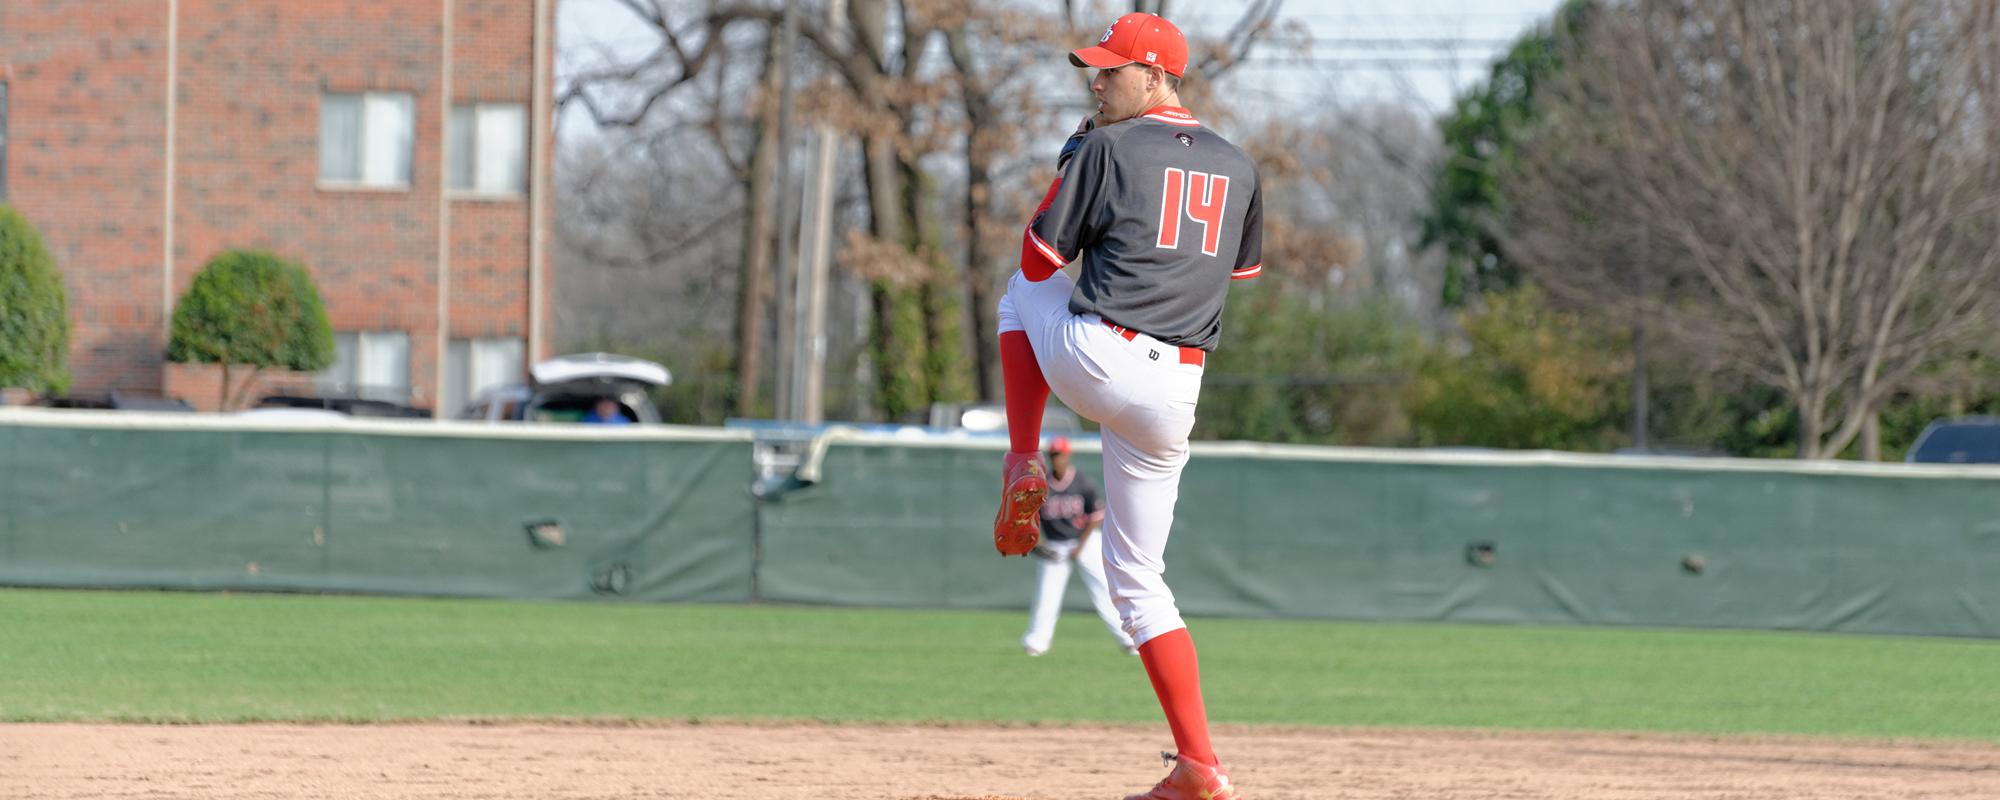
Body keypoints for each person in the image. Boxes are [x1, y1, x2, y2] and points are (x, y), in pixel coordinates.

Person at [989, 12, 1261, 800]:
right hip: (1177, 389)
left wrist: (1071, 167)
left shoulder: (1107, 148)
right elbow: (1231, 271)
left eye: (1112, 70)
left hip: (1101, 358)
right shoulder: (1240, 165)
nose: (1098, 82)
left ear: (1156, 75)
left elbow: (1038, 256)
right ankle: (1201, 764)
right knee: (1140, 582)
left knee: (1018, 293)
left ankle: (1022, 456)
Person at [1020, 437, 1138, 658]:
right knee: (1046, 594)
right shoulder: (1041, 485)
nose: (1057, 459)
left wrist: (1080, 546)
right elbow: (1029, 517)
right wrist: (1037, 542)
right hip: (1055, 544)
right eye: (1053, 455)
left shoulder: (1082, 482)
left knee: (1105, 590)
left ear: (1068, 456)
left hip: (1086, 540)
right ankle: (1036, 642)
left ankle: (1129, 639)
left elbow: (1096, 516)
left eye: (1060, 454)